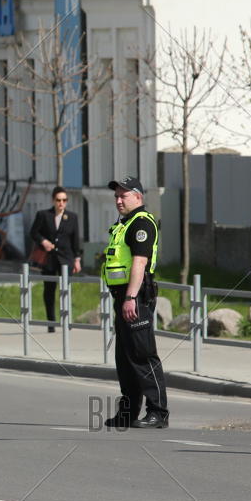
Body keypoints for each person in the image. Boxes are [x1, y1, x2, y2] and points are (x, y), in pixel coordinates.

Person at [101, 176, 167, 429]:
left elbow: (139, 263)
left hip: (135, 298)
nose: (118, 200)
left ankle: (158, 413)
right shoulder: (124, 224)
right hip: (124, 299)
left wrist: (130, 297)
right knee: (125, 359)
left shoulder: (141, 223)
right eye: (116, 196)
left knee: (143, 356)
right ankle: (127, 413)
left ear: (138, 197)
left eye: (124, 195)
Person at [28, 186, 82, 331]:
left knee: (65, 290)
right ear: (53, 200)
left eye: (64, 200)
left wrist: (77, 259)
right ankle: (51, 323)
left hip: (66, 259)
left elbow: (75, 239)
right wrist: (43, 241)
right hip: (49, 259)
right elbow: (33, 232)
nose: (61, 203)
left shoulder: (72, 217)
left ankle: (66, 321)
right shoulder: (43, 215)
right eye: (58, 200)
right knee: (49, 289)